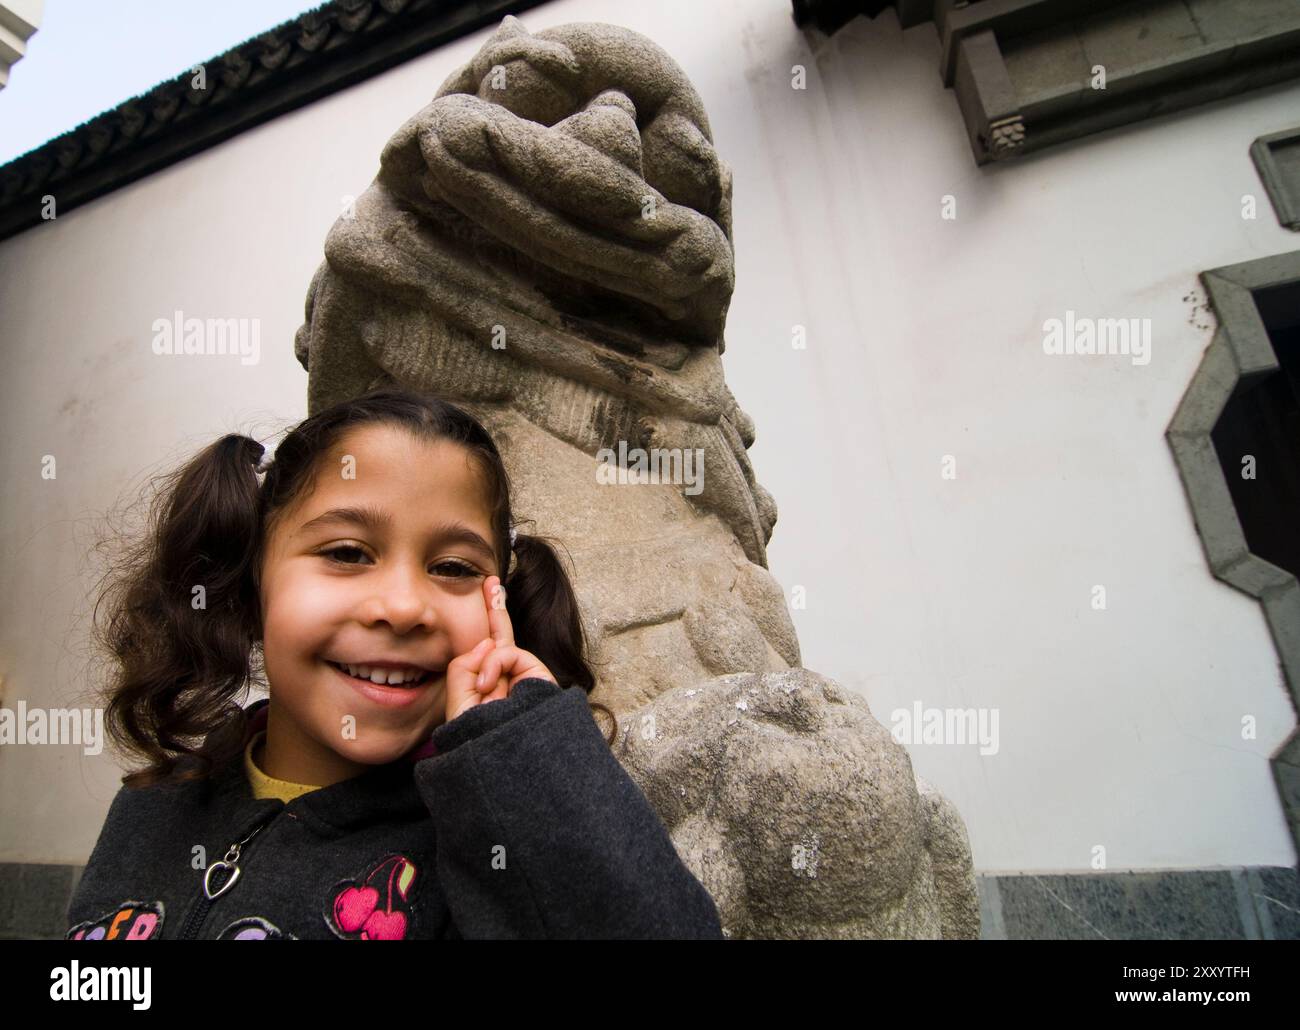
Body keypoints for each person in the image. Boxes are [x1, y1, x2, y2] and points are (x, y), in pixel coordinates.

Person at [66, 386, 724, 940]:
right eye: (348, 552)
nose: (405, 607)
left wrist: (523, 751)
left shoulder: (494, 826)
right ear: (250, 581)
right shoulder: (153, 807)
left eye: (454, 568)